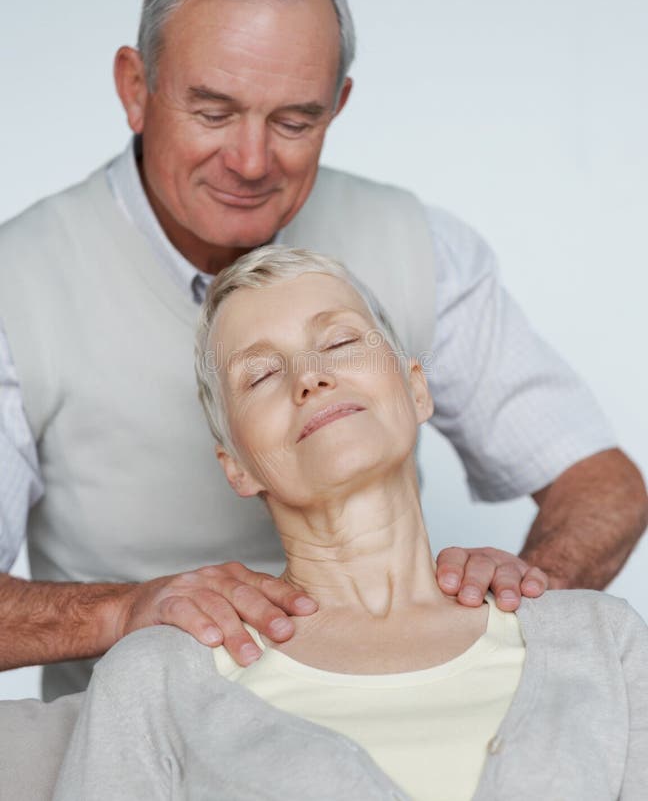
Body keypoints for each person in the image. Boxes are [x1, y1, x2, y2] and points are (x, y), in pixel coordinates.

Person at [0, 0, 645, 702]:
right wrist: (123, 612)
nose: (249, 160)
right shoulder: (18, 288)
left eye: (294, 121)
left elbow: (604, 484)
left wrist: (527, 596)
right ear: (136, 88)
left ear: (338, 105)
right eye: (212, 112)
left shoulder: (419, 247)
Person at [52, 246, 648, 801]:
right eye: (260, 376)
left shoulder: (601, 639)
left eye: (339, 344)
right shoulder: (155, 678)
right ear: (236, 466)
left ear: (415, 389)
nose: (310, 378)